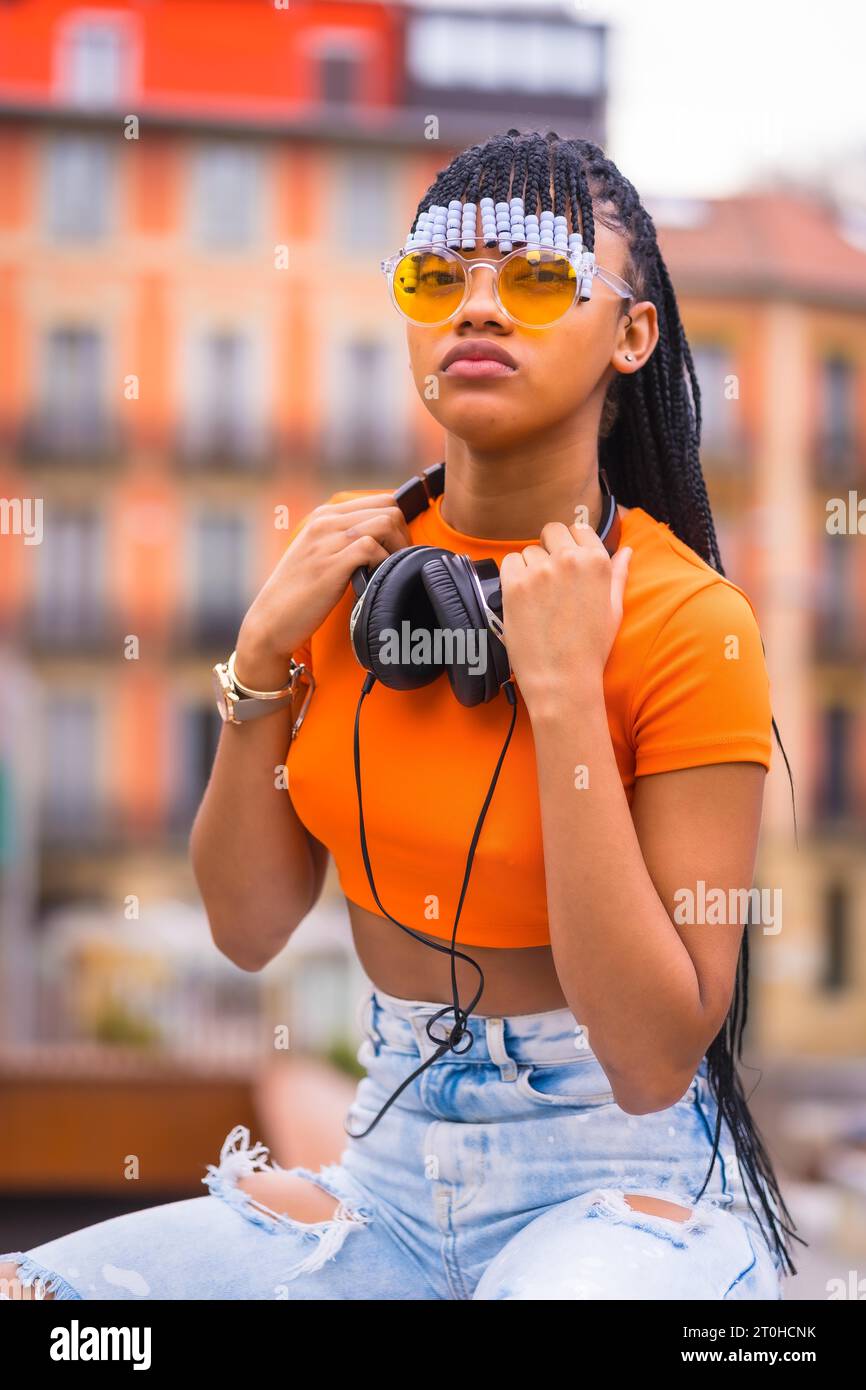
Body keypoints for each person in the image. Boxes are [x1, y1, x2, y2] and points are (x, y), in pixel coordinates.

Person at [1, 128, 804, 1301]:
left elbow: (646, 1055)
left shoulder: (689, 623)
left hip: (613, 1187)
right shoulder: (352, 580)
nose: (478, 308)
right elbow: (246, 925)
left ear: (631, 334)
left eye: (536, 276)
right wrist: (259, 657)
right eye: (440, 276)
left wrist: (566, 697)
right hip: (382, 1172)